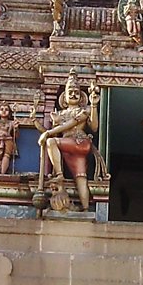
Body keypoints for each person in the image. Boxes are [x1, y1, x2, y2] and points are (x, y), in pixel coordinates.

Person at [39, 75, 101, 212]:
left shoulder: (84, 110)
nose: (73, 94)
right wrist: (52, 124)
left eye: (76, 92)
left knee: (51, 142)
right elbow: (57, 131)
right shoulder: (60, 114)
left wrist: (94, 105)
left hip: (79, 142)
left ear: (81, 96)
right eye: (70, 92)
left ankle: (60, 174)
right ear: (64, 97)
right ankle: (85, 208)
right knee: (80, 177)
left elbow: (93, 127)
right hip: (67, 146)